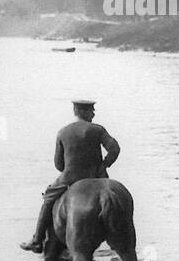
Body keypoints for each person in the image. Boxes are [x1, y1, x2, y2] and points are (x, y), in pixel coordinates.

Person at [20, 99, 121, 252]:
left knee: (48, 199)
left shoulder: (63, 132)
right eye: (91, 111)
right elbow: (115, 149)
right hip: (97, 178)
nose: (93, 113)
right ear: (82, 112)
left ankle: (37, 240)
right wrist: (103, 165)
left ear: (75, 112)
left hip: (69, 178)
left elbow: (58, 165)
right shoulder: (98, 129)